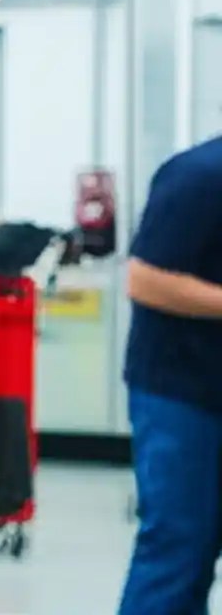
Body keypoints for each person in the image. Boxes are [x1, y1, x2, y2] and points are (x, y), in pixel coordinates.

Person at [119, 134, 222, 614]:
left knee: (198, 553)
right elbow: (143, 279)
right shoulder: (199, 175)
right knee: (179, 547)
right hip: (180, 394)